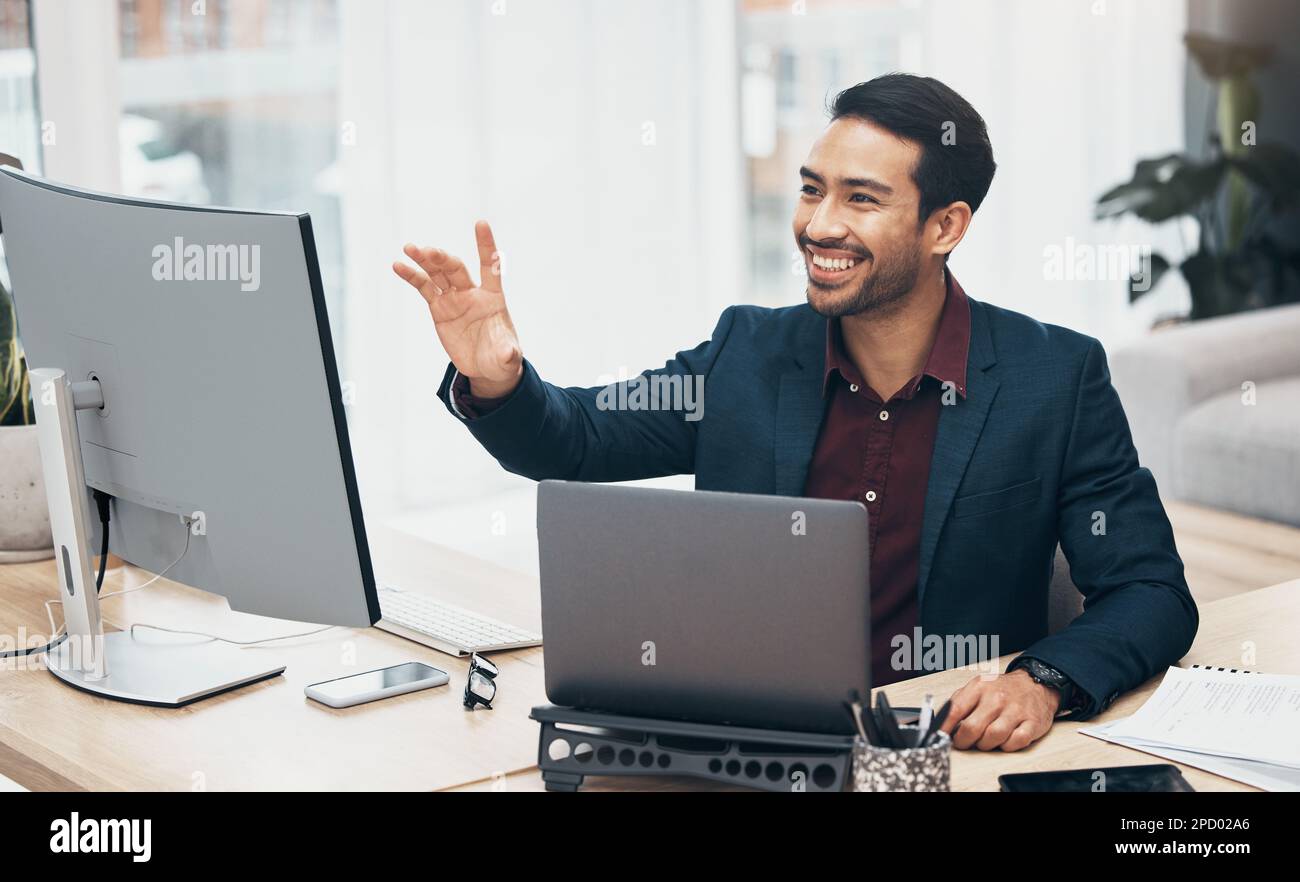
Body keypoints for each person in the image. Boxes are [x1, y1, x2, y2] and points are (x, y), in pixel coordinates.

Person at [392, 73, 1197, 752]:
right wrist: (497, 377)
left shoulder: (1054, 377)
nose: (819, 225)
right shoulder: (748, 351)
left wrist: (1043, 681)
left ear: (945, 226)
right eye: (812, 189)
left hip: (934, 751)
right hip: (752, 742)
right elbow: (576, 439)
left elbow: (1152, 592)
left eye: (861, 199)